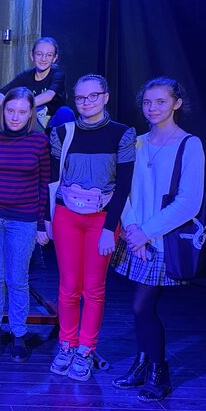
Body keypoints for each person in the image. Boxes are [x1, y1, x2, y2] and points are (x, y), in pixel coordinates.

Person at [111, 78, 204, 401]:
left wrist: (146, 233)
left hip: (162, 241)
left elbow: (189, 201)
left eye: (161, 102)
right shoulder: (136, 143)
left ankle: (158, 372)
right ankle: (141, 364)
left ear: (176, 104)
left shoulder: (189, 144)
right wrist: (132, 231)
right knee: (140, 308)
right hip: (136, 239)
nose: (152, 108)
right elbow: (124, 191)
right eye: (147, 102)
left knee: (141, 306)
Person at [47, 74, 136, 381]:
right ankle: (67, 345)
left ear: (106, 97)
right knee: (68, 286)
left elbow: (123, 187)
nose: (86, 102)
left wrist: (110, 228)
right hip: (66, 215)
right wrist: (48, 220)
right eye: (81, 98)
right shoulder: (62, 133)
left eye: (93, 96)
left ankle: (86, 349)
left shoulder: (122, 134)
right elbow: (52, 181)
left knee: (94, 288)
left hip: (101, 218)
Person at [0, 88, 50, 362]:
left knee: (17, 279)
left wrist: (41, 224)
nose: (15, 117)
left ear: (30, 114)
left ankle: (18, 334)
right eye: (10, 110)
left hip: (23, 220)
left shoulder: (39, 141)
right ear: (3, 111)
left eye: (22, 112)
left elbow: (44, 185)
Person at [0, 37, 74, 132]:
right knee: (1, 110)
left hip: (53, 123)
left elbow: (49, 95)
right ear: (32, 56)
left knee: (65, 111)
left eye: (49, 55)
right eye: (39, 54)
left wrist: (23, 106)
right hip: (31, 122)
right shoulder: (25, 76)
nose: (43, 59)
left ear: (54, 58)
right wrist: (12, 108)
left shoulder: (57, 74)